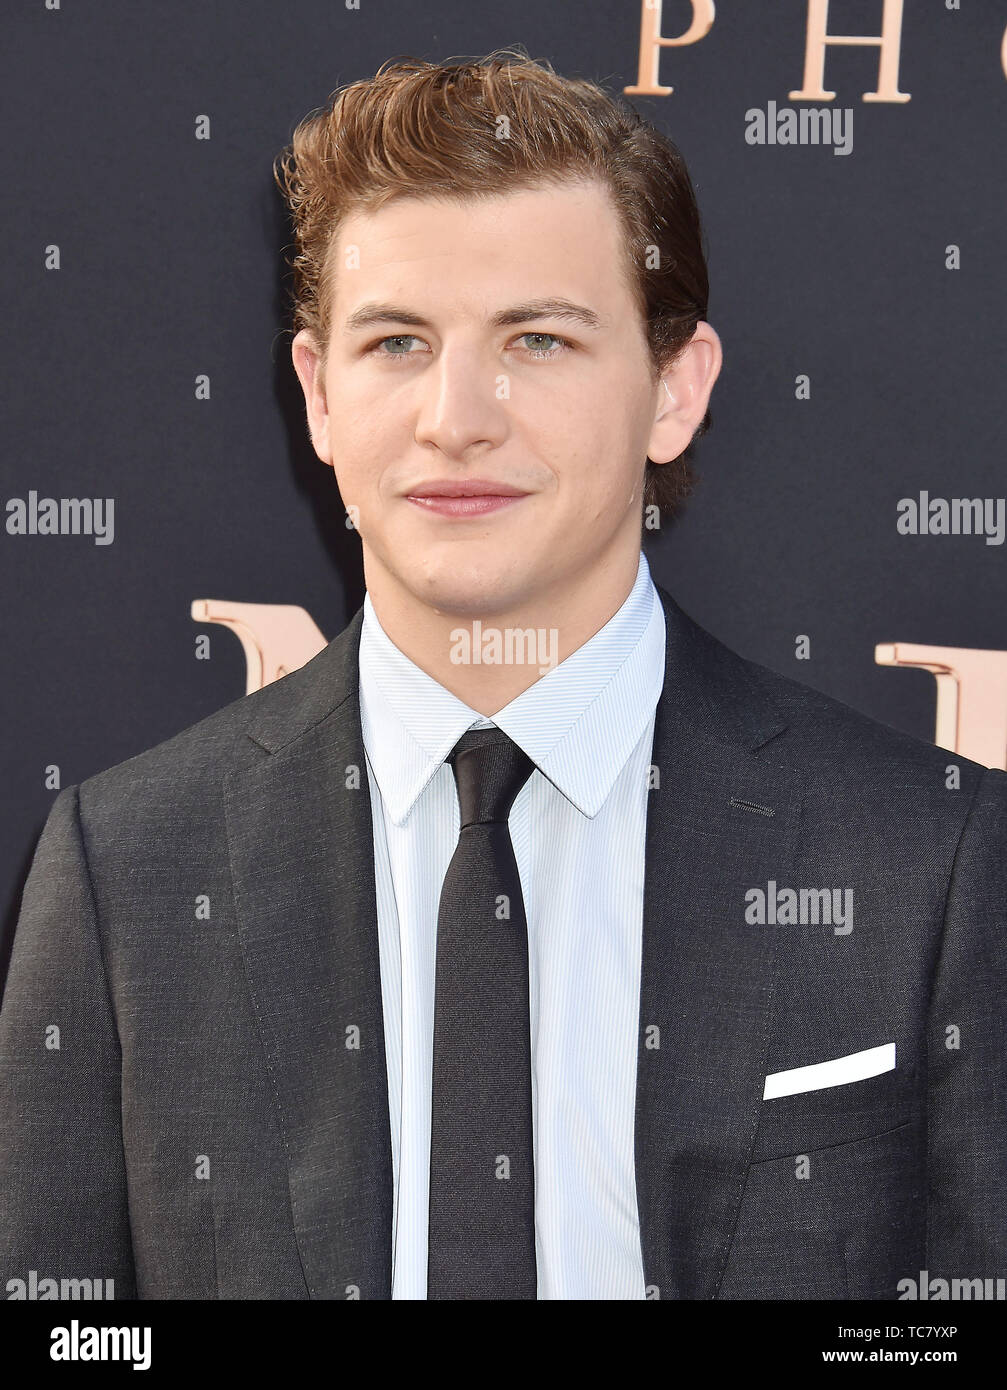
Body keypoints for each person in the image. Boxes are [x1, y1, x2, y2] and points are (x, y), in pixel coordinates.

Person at [1, 49, 1004, 1302]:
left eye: (536, 339)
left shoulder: (928, 857)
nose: (456, 415)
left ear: (672, 392)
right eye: (395, 343)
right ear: (317, 396)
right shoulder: (125, 866)